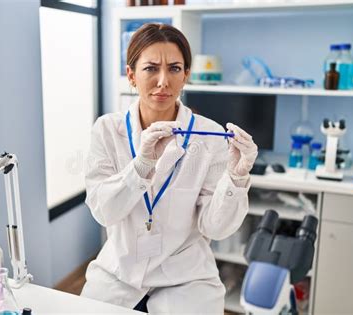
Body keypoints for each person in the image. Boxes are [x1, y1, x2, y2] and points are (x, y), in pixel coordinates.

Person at [81, 23, 258, 314]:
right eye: (151, 68)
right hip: (120, 271)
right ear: (131, 75)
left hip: (185, 276)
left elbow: (215, 227)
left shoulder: (208, 136)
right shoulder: (107, 130)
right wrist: (141, 166)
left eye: (175, 69)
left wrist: (236, 178)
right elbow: (104, 211)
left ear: (185, 76)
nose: (163, 81)